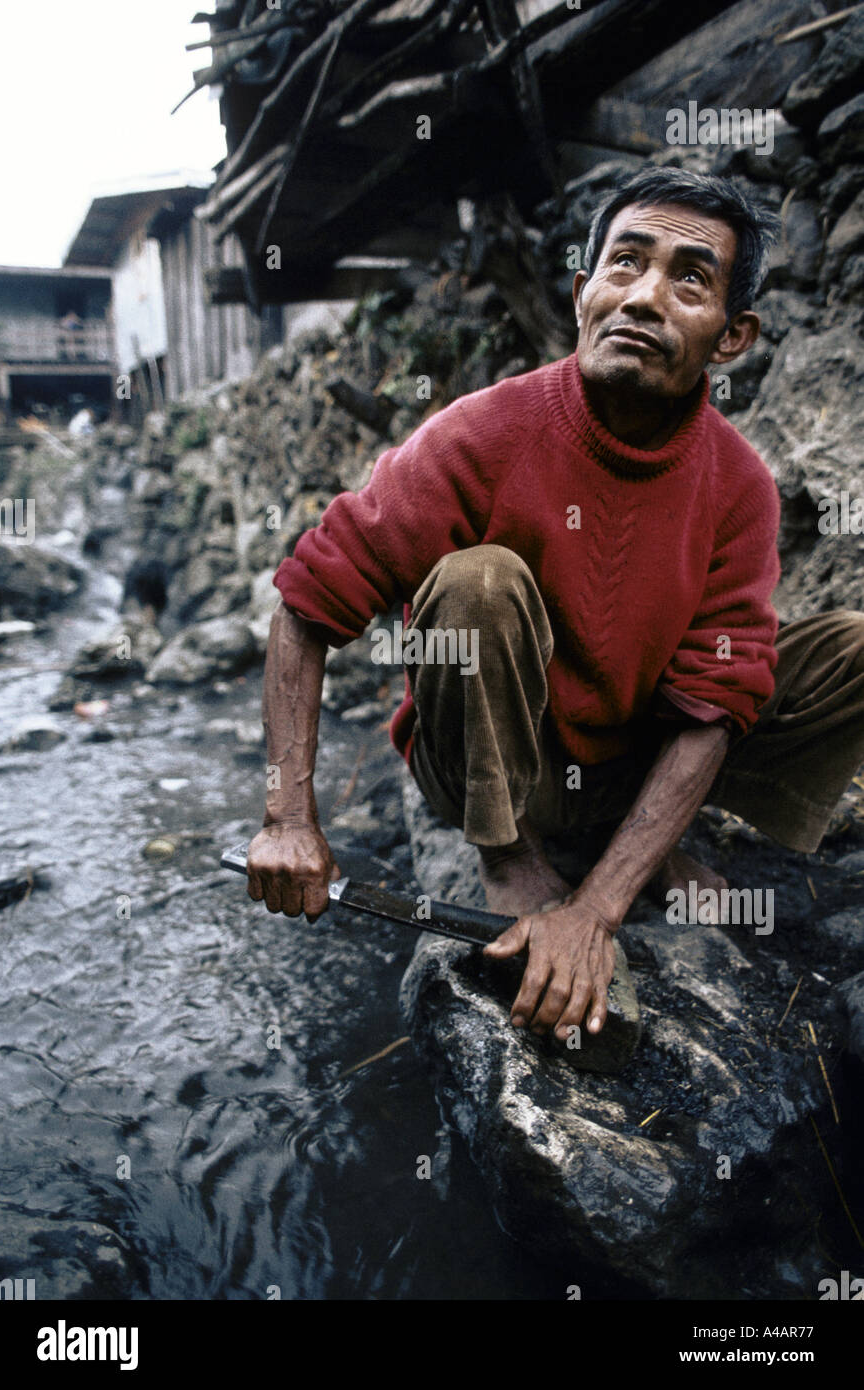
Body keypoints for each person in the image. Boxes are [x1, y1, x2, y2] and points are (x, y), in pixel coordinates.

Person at [246, 167, 864, 1046]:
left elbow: (714, 705)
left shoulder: (738, 487)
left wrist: (596, 912)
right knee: (478, 581)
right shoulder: (484, 430)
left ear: (731, 338)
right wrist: (288, 818)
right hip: (502, 759)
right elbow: (306, 604)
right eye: (624, 264)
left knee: (849, 646)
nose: (643, 297)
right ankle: (510, 852)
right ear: (582, 295)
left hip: (628, 747)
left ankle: (637, 845)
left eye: (688, 279)